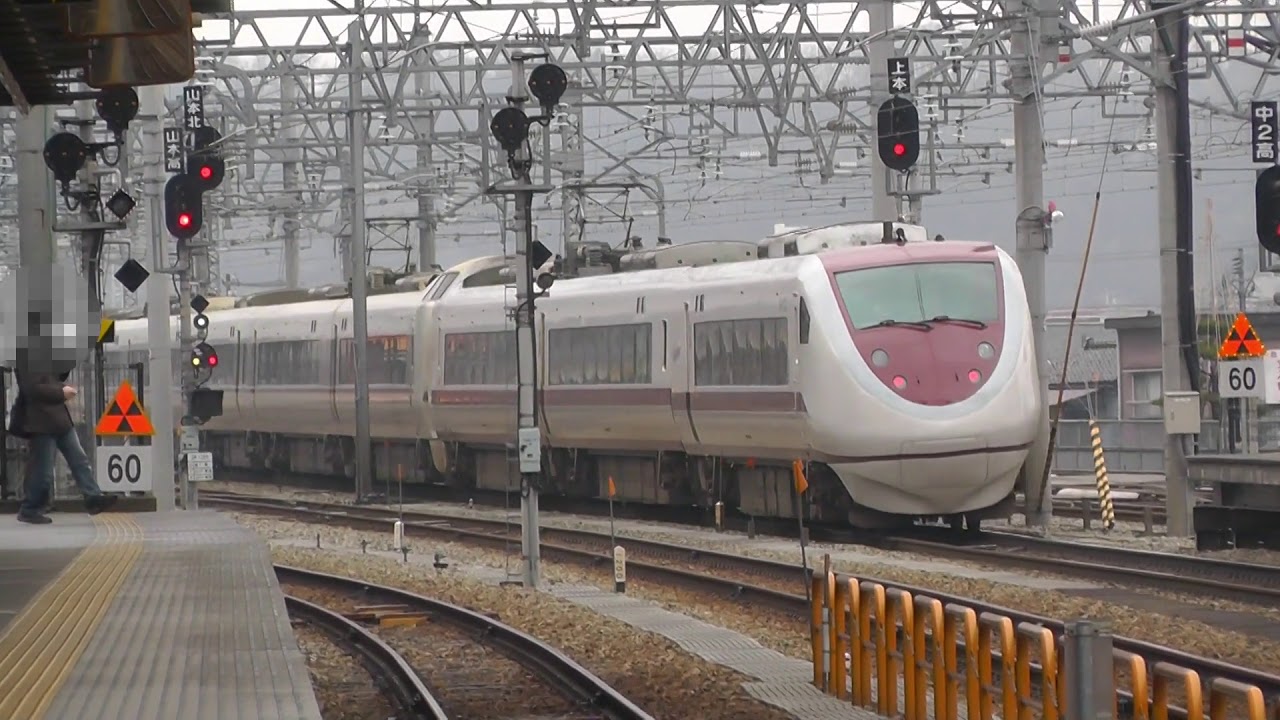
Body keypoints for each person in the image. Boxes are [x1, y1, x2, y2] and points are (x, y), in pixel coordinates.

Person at [10, 366, 117, 524]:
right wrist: (61, 393)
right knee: (43, 471)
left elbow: (57, 376)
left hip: (60, 420)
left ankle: (93, 497)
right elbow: (33, 389)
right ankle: (30, 509)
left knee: (79, 460)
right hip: (41, 423)